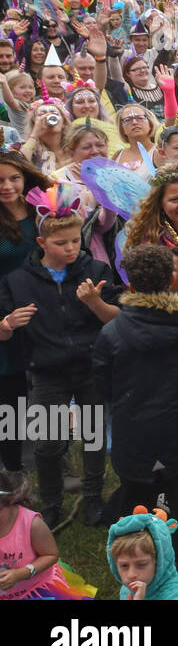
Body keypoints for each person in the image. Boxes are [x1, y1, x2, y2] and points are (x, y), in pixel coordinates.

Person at [0, 184, 121, 527]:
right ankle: (51, 503)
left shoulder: (95, 271)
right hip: (47, 372)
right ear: (41, 244)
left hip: (91, 367)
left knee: (94, 438)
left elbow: (117, 320)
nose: (71, 249)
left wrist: (95, 303)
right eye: (61, 243)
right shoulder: (18, 280)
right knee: (48, 443)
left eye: (75, 241)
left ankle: (94, 499)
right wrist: (8, 322)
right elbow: (3, 330)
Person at [92, 244, 178, 571]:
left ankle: (137, 566)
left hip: (134, 436)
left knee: (135, 501)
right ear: (171, 279)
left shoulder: (112, 332)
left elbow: (102, 386)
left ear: (130, 284)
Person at [0, 152, 52, 475]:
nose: (6, 186)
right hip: (7, 316)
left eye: (13, 178)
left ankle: (52, 461)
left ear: (26, 178)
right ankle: (12, 467)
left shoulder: (42, 209)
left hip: (45, 310)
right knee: (11, 396)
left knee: (50, 391)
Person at [0, 471, 92, 600]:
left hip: (34, 591)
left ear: (9, 501)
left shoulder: (31, 524)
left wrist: (20, 574)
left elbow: (50, 555)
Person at [106, 506, 178, 600]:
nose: (131, 574)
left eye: (141, 564)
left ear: (159, 561)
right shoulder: (127, 590)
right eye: (124, 566)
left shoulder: (176, 593)